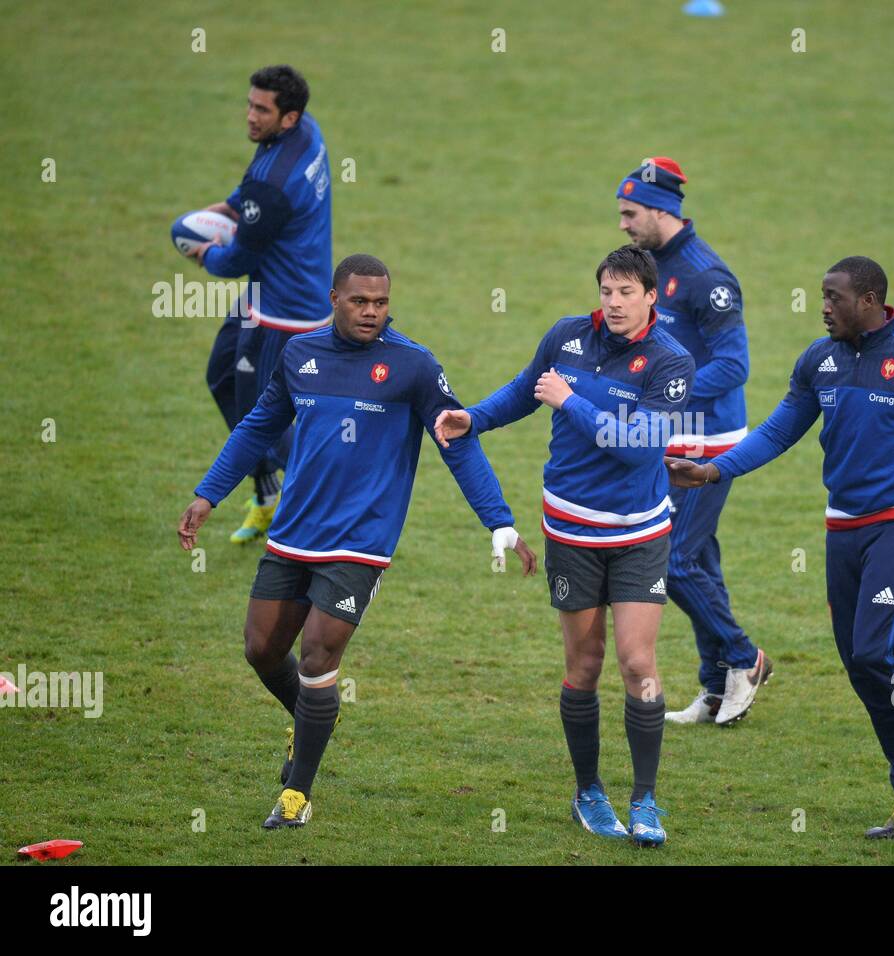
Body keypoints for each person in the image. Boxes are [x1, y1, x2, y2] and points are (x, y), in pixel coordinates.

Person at [178, 254, 536, 829]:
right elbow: (257, 426)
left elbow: (458, 443)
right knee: (261, 650)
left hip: (361, 543)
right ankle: (314, 717)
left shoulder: (414, 366)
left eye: (382, 303)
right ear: (334, 299)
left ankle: (297, 795)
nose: (372, 313)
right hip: (295, 532)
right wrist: (208, 494)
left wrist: (499, 522)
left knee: (320, 654)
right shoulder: (299, 355)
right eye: (360, 302)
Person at [666, 257, 894, 838]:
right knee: (859, 665)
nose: (823, 306)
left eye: (834, 297)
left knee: (874, 652)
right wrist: (713, 472)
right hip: (842, 528)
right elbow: (776, 431)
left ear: (869, 300)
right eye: (821, 295)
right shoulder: (818, 362)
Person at [434, 246, 694, 847]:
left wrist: (571, 401)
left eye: (627, 292)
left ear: (652, 297)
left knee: (637, 663)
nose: (614, 302)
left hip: (639, 535)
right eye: (607, 290)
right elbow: (528, 389)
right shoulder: (567, 337)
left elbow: (635, 446)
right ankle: (589, 791)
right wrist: (474, 418)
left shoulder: (671, 363)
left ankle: (646, 800)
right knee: (584, 663)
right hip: (572, 532)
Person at [616, 157, 770, 727]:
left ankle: (744, 658)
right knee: (700, 556)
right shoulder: (653, 266)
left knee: (675, 560)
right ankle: (713, 687)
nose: (624, 225)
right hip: (671, 438)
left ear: (662, 211)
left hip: (711, 445)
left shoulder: (707, 278)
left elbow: (734, 366)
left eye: (630, 213)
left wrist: (665, 392)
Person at [187, 64, 333, 544]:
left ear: (287, 118)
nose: (250, 116)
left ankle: (326, 503)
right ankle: (267, 492)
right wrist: (230, 208)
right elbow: (252, 192)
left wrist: (205, 253)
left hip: (283, 312)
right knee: (222, 375)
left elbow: (237, 258)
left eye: (261, 110)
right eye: (249, 104)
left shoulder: (274, 185)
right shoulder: (304, 133)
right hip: (271, 291)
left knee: (264, 419)